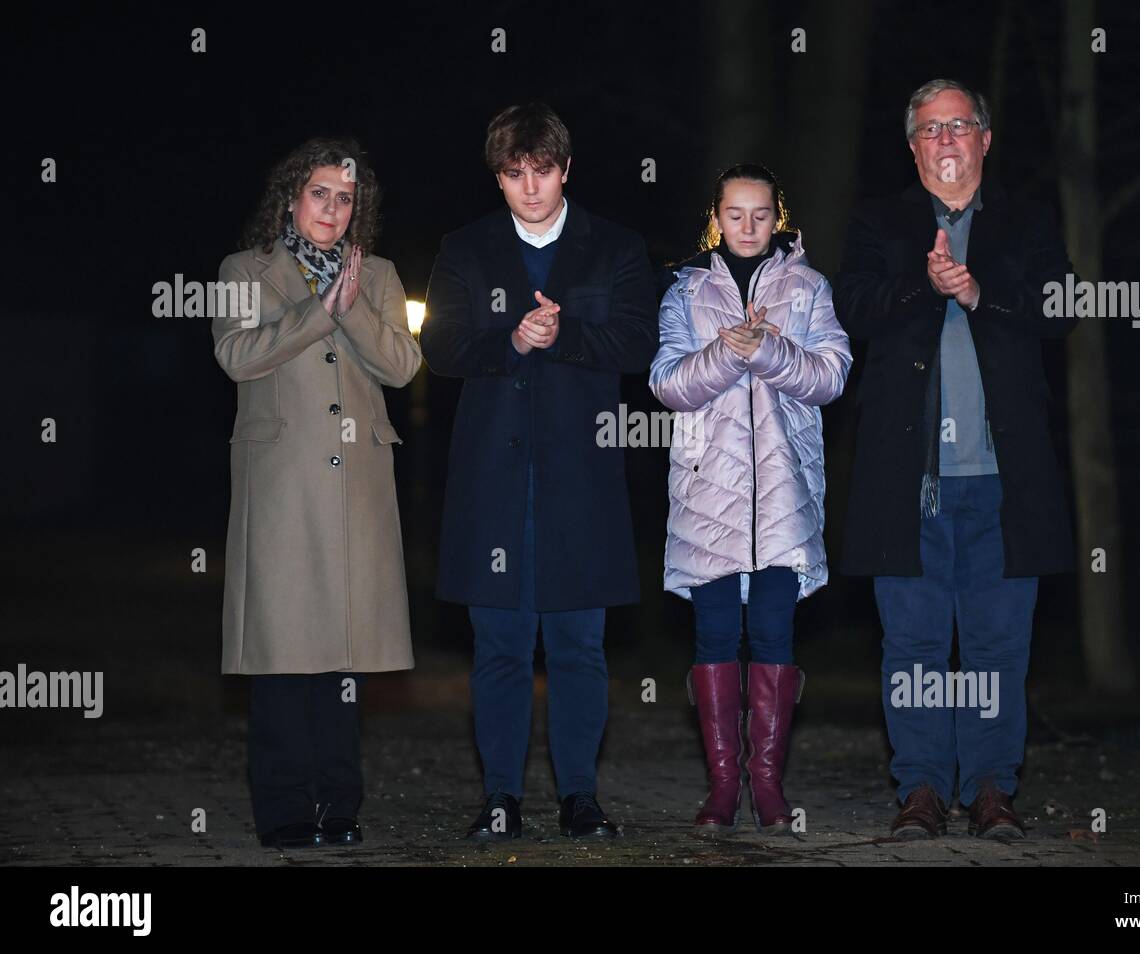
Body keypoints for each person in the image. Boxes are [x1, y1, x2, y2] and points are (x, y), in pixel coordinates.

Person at [834, 79, 1078, 839]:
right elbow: (854, 309)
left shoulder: (1029, 223)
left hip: (1006, 479)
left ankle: (992, 789)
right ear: (912, 147)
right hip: (909, 483)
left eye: (960, 125)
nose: (946, 139)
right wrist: (925, 283)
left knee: (998, 642)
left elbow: (1059, 308)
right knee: (912, 642)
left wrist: (978, 293)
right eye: (931, 129)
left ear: (985, 139)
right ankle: (922, 791)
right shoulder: (878, 223)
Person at [421, 102, 658, 840]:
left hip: (582, 481)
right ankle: (500, 798)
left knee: (579, 647)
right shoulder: (465, 248)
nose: (531, 187)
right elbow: (442, 348)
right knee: (500, 646)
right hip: (493, 481)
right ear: (498, 178)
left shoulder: (615, 247)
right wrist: (512, 343)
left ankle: (580, 797)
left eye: (543, 171)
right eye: (515, 174)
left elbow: (639, 343)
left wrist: (564, 333)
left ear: (566, 170)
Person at [213, 137, 423, 849]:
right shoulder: (245, 270)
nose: (332, 208)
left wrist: (352, 304)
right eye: (320, 193)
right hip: (282, 493)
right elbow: (236, 354)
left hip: (356, 492)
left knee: (341, 659)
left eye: (346, 197)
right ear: (292, 198)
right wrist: (316, 311)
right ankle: (283, 812)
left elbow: (401, 366)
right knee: (281, 657)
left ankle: (340, 807)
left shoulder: (383, 275)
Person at [650, 164, 851, 833]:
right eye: (734, 213)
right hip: (708, 499)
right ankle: (721, 788)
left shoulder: (809, 287)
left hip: (785, 498)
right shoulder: (684, 290)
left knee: (772, 635)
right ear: (715, 215)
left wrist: (768, 347)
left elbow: (831, 377)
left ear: (779, 215)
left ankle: (766, 786)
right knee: (713, 637)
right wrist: (727, 352)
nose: (747, 226)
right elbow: (669, 385)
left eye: (760, 214)